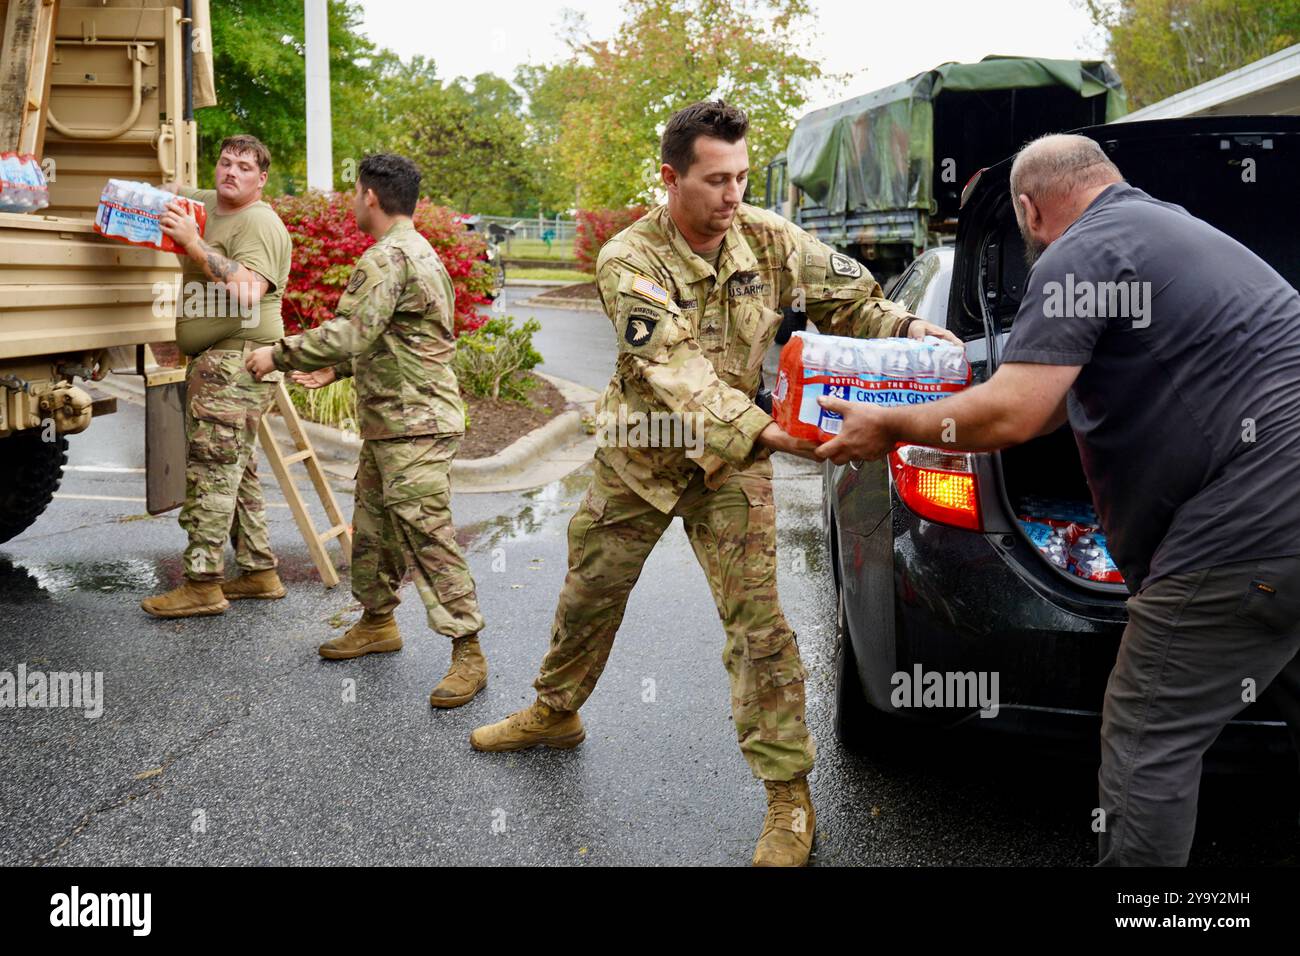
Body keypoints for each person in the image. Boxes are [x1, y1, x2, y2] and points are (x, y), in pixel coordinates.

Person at [469, 101, 956, 866]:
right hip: (643, 456)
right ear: (670, 179)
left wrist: (904, 328)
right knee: (589, 594)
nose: (733, 195)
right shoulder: (630, 260)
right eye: (715, 180)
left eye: (742, 177)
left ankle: (790, 802)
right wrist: (774, 433)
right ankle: (555, 710)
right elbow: (678, 372)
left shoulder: (766, 236)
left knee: (760, 629)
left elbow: (849, 296)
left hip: (729, 467)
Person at [816, 132, 1300, 866]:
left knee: (1147, 735)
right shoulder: (1175, 230)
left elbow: (1010, 413)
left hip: (1249, 531)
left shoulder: (1084, 250)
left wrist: (889, 424)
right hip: (1277, 521)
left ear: (1028, 208)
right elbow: (1040, 410)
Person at [245, 154, 488, 709]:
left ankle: (468, 652)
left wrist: (275, 354)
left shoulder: (387, 258)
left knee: (426, 534)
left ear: (371, 197)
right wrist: (340, 369)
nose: (354, 202)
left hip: (415, 425)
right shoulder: (421, 252)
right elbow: (404, 336)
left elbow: (351, 330)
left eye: (355, 193)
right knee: (374, 527)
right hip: (397, 422)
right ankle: (378, 622)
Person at [141, 134, 292, 617]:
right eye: (226, 163)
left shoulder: (258, 222)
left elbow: (249, 291)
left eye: (245, 168)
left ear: (262, 179)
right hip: (217, 361)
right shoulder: (207, 205)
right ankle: (259, 572)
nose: (231, 172)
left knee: (210, 474)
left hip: (237, 362)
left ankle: (202, 584)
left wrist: (192, 242)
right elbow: (161, 195)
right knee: (235, 470)